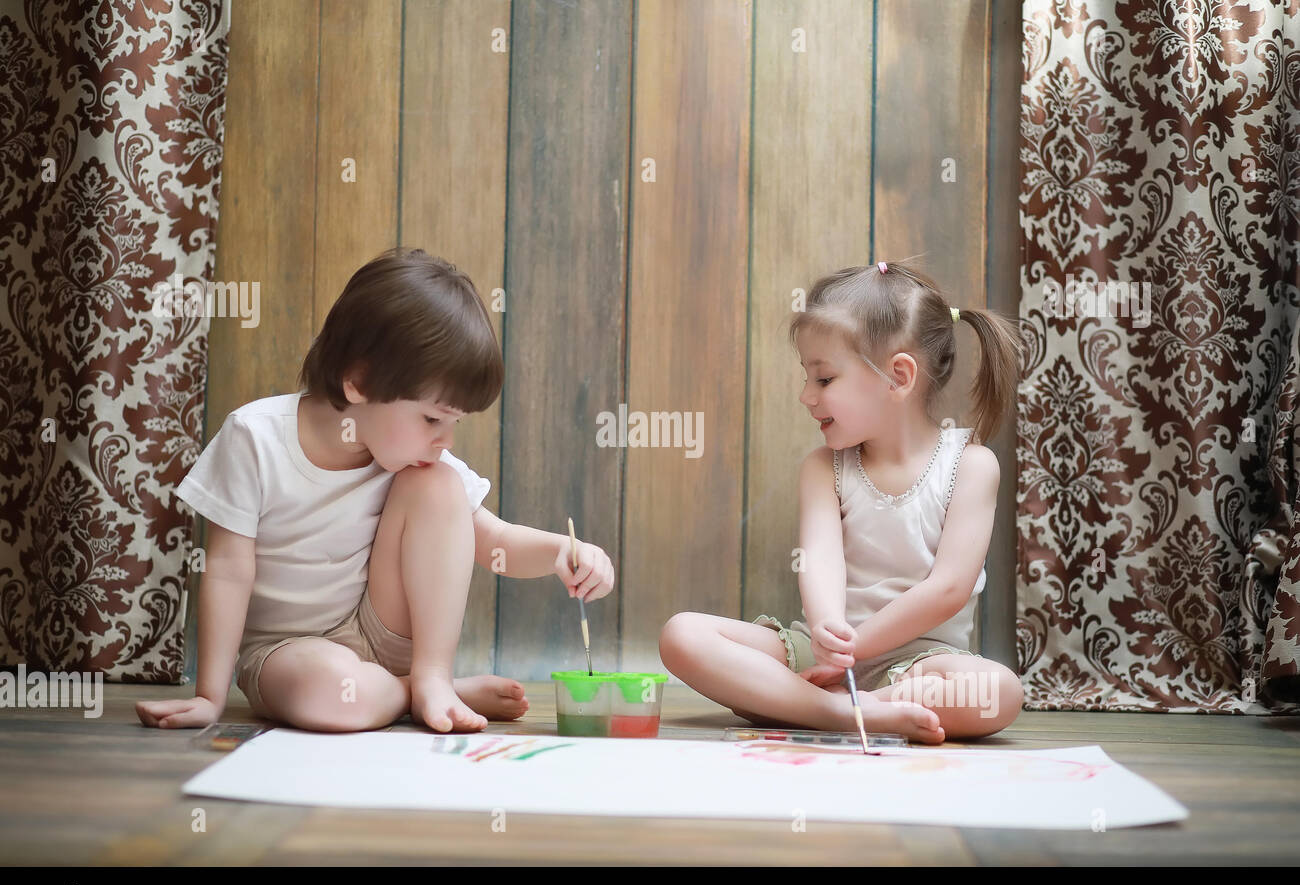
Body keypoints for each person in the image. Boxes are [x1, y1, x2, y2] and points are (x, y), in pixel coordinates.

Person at [137, 248, 614, 734]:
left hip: (381, 630)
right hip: (288, 654)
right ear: (360, 382)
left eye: (454, 423)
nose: (444, 439)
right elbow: (228, 570)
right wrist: (209, 697)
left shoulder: (414, 457)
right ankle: (416, 688)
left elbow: (494, 542)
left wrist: (563, 551)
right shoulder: (254, 439)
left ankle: (431, 674)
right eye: (432, 418)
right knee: (332, 697)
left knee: (438, 486)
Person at [660, 260, 1024, 742]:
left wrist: (855, 650)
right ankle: (845, 713)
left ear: (898, 377)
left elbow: (948, 589)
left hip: (919, 663)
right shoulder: (823, 468)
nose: (805, 395)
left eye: (824, 379)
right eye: (807, 378)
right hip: (821, 651)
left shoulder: (971, 465)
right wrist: (829, 628)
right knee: (682, 634)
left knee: (998, 691)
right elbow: (820, 558)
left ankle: (810, 703)